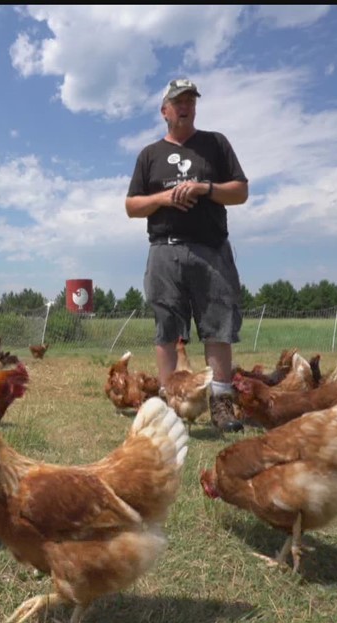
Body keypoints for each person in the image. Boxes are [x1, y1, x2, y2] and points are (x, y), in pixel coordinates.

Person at [124, 78, 249, 433]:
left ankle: (222, 404)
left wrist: (205, 188)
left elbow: (240, 191)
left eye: (191, 100)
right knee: (166, 331)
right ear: (164, 110)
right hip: (165, 250)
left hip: (211, 251)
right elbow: (132, 206)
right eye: (178, 100)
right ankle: (168, 406)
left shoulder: (215, 144)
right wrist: (164, 199)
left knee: (218, 328)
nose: (185, 106)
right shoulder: (150, 155)